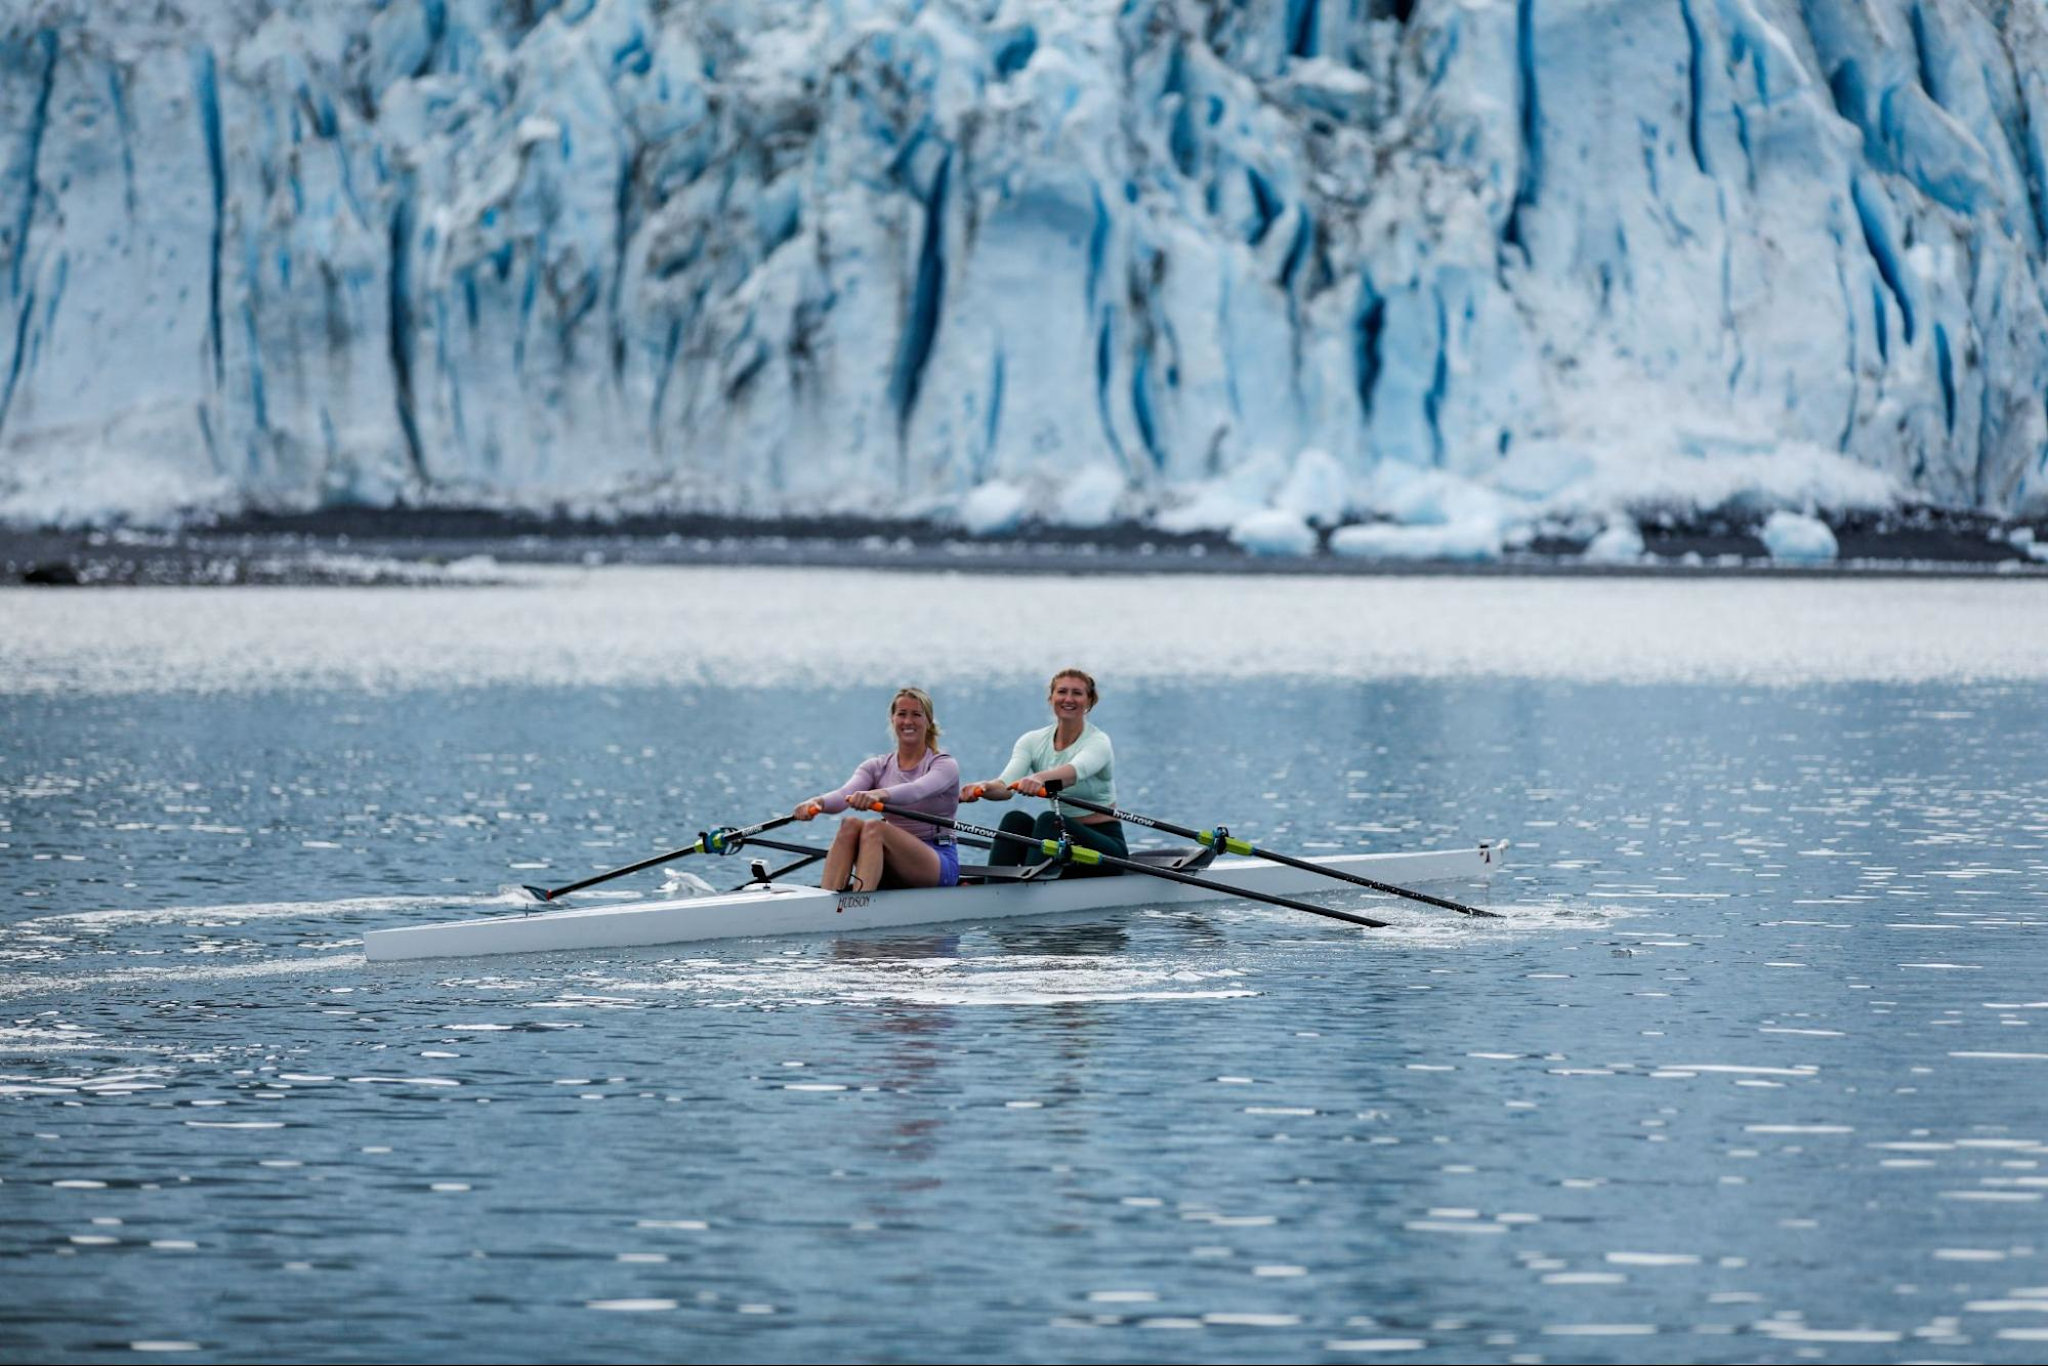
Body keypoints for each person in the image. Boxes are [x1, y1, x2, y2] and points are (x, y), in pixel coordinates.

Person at [962, 668, 1126, 874]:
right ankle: (994, 888)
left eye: (1077, 693)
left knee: (1049, 821)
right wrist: (984, 787)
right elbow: (1004, 787)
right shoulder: (1031, 741)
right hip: (1062, 843)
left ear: (1089, 701)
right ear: (1051, 698)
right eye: (1062, 692)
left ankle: (1031, 890)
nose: (1068, 699)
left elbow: (1073, 773)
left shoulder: (1098, 742)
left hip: (1104, 848)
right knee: (1015, 820)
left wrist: (1038, 778)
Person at [795, 688, 961, 891]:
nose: (908, 721)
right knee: (850, 824)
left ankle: (859, 903)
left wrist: (878, 794)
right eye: (902, 714)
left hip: (938, 860)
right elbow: (842, 795)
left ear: (928, 721)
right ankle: (827, 900)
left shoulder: (944, 765)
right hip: (890, 858)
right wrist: (816, 802)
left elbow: (917, 790)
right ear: (892, 719)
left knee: (875, 827)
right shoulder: (876, 766)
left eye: (916, 714)